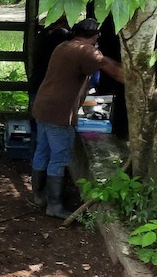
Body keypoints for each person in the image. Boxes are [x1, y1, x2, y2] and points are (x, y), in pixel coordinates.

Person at [31, 18, 124, 218]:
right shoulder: (87, 52)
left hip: (42, 106)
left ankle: (39, 196)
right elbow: (118, 73)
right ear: (95, 36)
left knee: (42, 151)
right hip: (60, 112)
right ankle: (54, 206)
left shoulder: (63, 46)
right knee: (59, 156)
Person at [27, 17, 71, 161]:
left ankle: (35, 162)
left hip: (36, 84)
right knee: (51, 130)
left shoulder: (42, 35)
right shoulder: (61, 35)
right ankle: (50, 165)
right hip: (49, 87)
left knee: (36, 125)